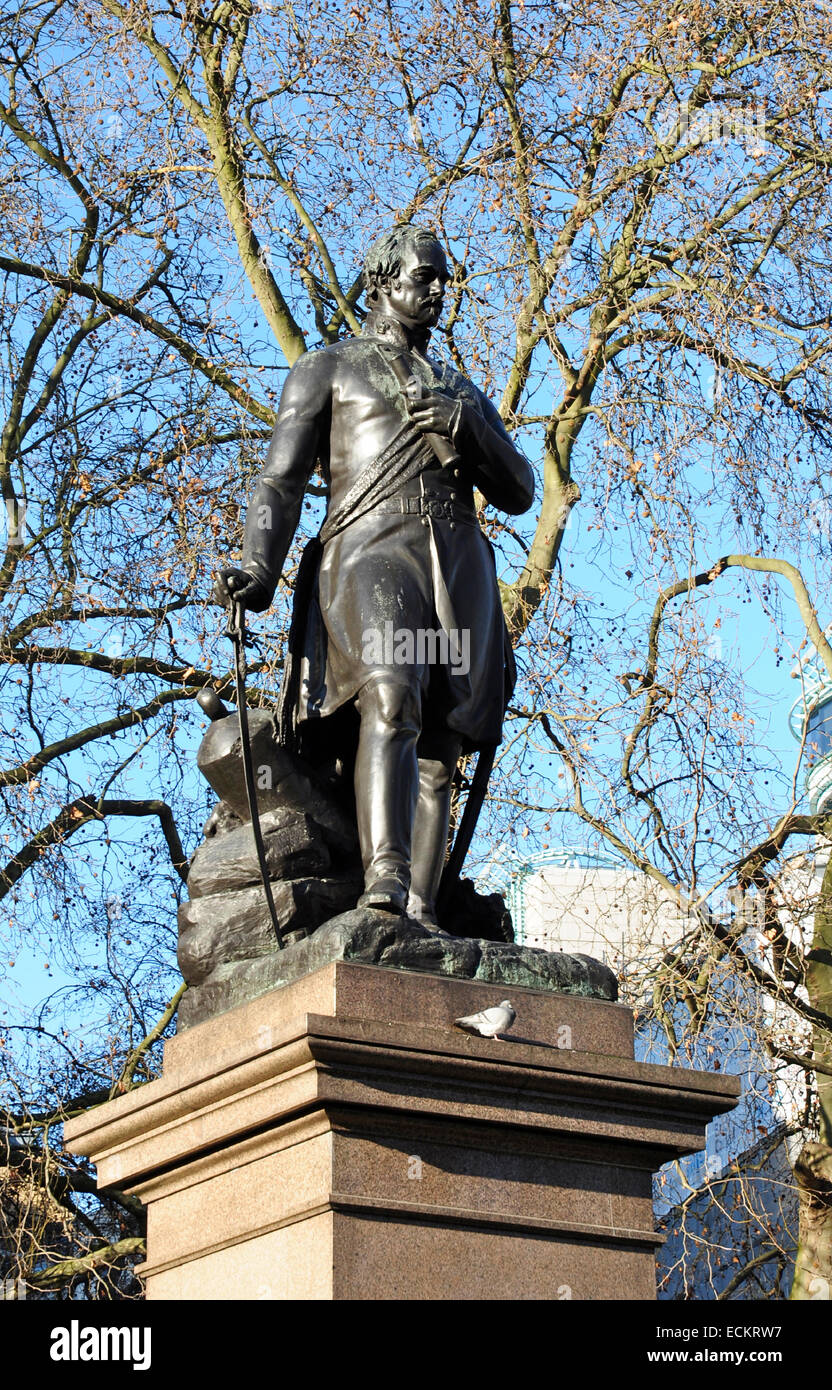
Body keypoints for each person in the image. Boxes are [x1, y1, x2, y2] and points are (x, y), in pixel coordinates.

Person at [214, 224, 534, 929]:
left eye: (445, 278)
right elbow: (281, 478)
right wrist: (258, 566)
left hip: (455, 569)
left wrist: (468, 426)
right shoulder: (328, 368)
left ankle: (421, 910)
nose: (440, 290)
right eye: (426, 276)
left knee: (443, 746)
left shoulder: (459, 388)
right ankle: (382, 877)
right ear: (383, 283)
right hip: (371, 555)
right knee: (392, 694)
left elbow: (520, 489)